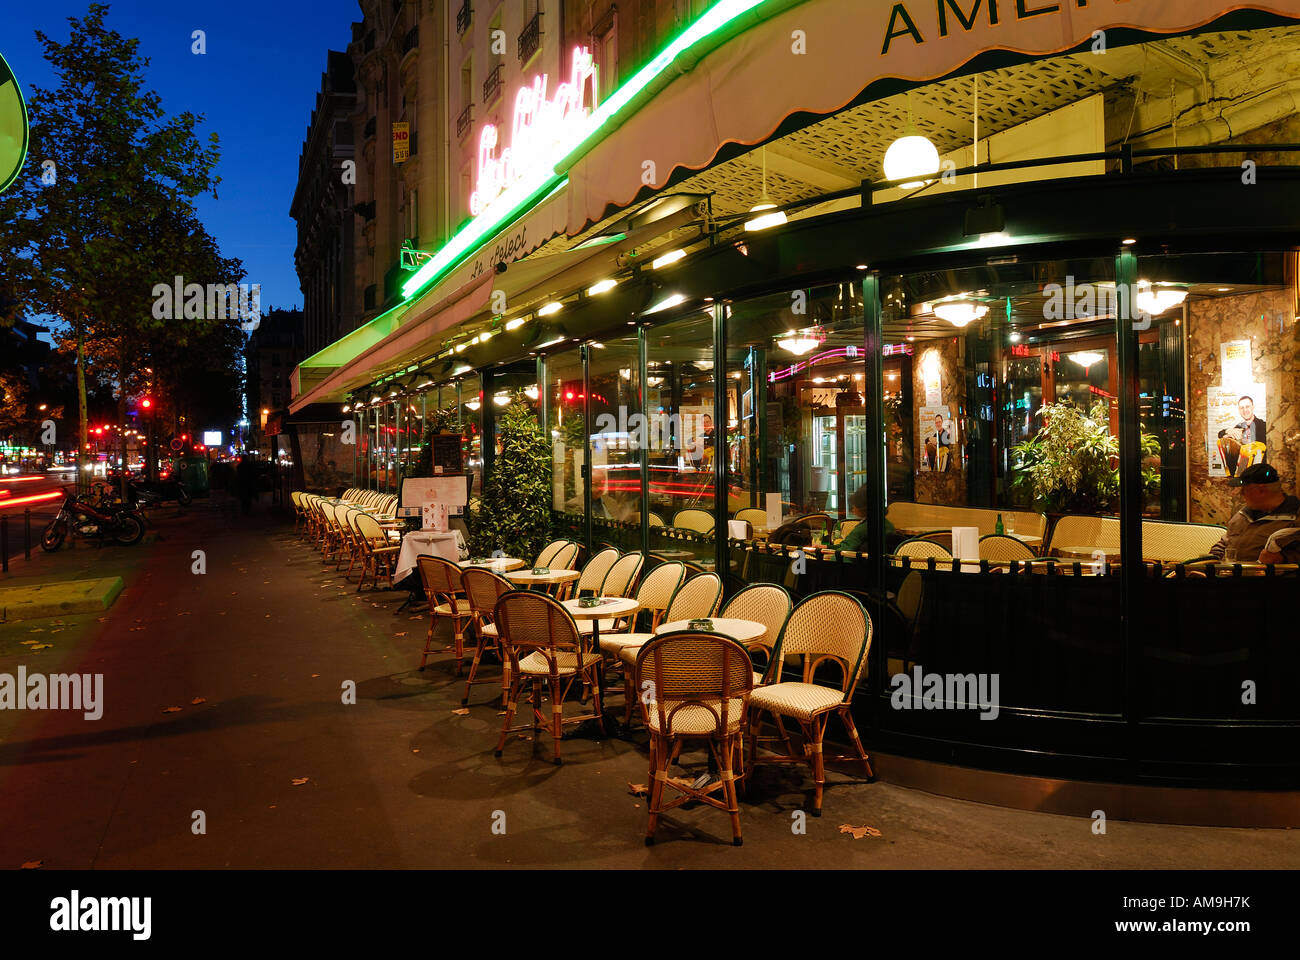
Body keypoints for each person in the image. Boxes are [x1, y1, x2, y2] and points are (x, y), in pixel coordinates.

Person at [1208, 463, 1300, 564]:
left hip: (1267, 578)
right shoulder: (1243, 514)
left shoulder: (1295, 517)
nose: (1241, 494)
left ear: (1261, 490)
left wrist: (1283, 558)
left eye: (1244, 490)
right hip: (1230, 575)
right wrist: (1212, 558)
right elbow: (1225, 541)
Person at [1216, 395, 1267, 476]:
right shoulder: (1238, 427)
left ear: (1253, 407)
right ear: (1239, 410)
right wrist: (1228, 431)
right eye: (1241, 408)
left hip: (1260, 475)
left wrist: (1243, 436)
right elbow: (1220, 434)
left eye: (1247, 406)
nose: (1245, 410)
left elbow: (1261, 441)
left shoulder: (1264, 426)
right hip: (1242, 474)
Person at [837, 484, 894, 552]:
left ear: (862, 507)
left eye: (854, 505)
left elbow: (843, 551)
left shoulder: (862, 529)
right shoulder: (888, 525)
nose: (852, 508)